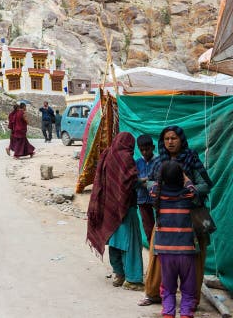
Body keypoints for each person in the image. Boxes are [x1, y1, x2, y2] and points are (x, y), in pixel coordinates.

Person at [140, 125, 213, 308]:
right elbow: (149, 181)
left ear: (181, 140)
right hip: (165, 217)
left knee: (194, 258)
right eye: (166, 139)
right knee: (157, 255)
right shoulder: (158, 162)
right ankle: (153, 293)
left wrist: (187, 192)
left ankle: (191, 299)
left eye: (174, 138)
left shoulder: (191, 159)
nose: (170, 142)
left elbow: (205, 184)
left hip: (189, 218)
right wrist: (153, 187)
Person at [87, 132, 144, 290]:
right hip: (125, 208)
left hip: (108, 207)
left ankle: (119, 275)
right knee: (130, 243)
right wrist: (143, 181)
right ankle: (132, 279)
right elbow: (129, 182)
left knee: (114, 242)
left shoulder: (107, 154)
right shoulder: (126, 157)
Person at [150, 160, 199, 318]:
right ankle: (185, 316)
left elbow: (154, 187)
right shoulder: (187, 195)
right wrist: (186, 177)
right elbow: (193, 188)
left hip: (165, 252)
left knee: (168, 289)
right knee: (188, 289)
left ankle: (168, 316)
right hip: (186, 250)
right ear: (180, 177)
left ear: (162, 178)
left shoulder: (157, 195)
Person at [136, 134, 157, 242]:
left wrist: (143, 181)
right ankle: (152, 253)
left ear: (153, 148)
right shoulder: (138, 162)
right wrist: (148, 181)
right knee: (148, 228)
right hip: (143, 199)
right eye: (142, 150)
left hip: (157, 200)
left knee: (160, 227)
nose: (144, 152)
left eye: (147, 149)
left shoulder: (159, 161)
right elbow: (134, 181)